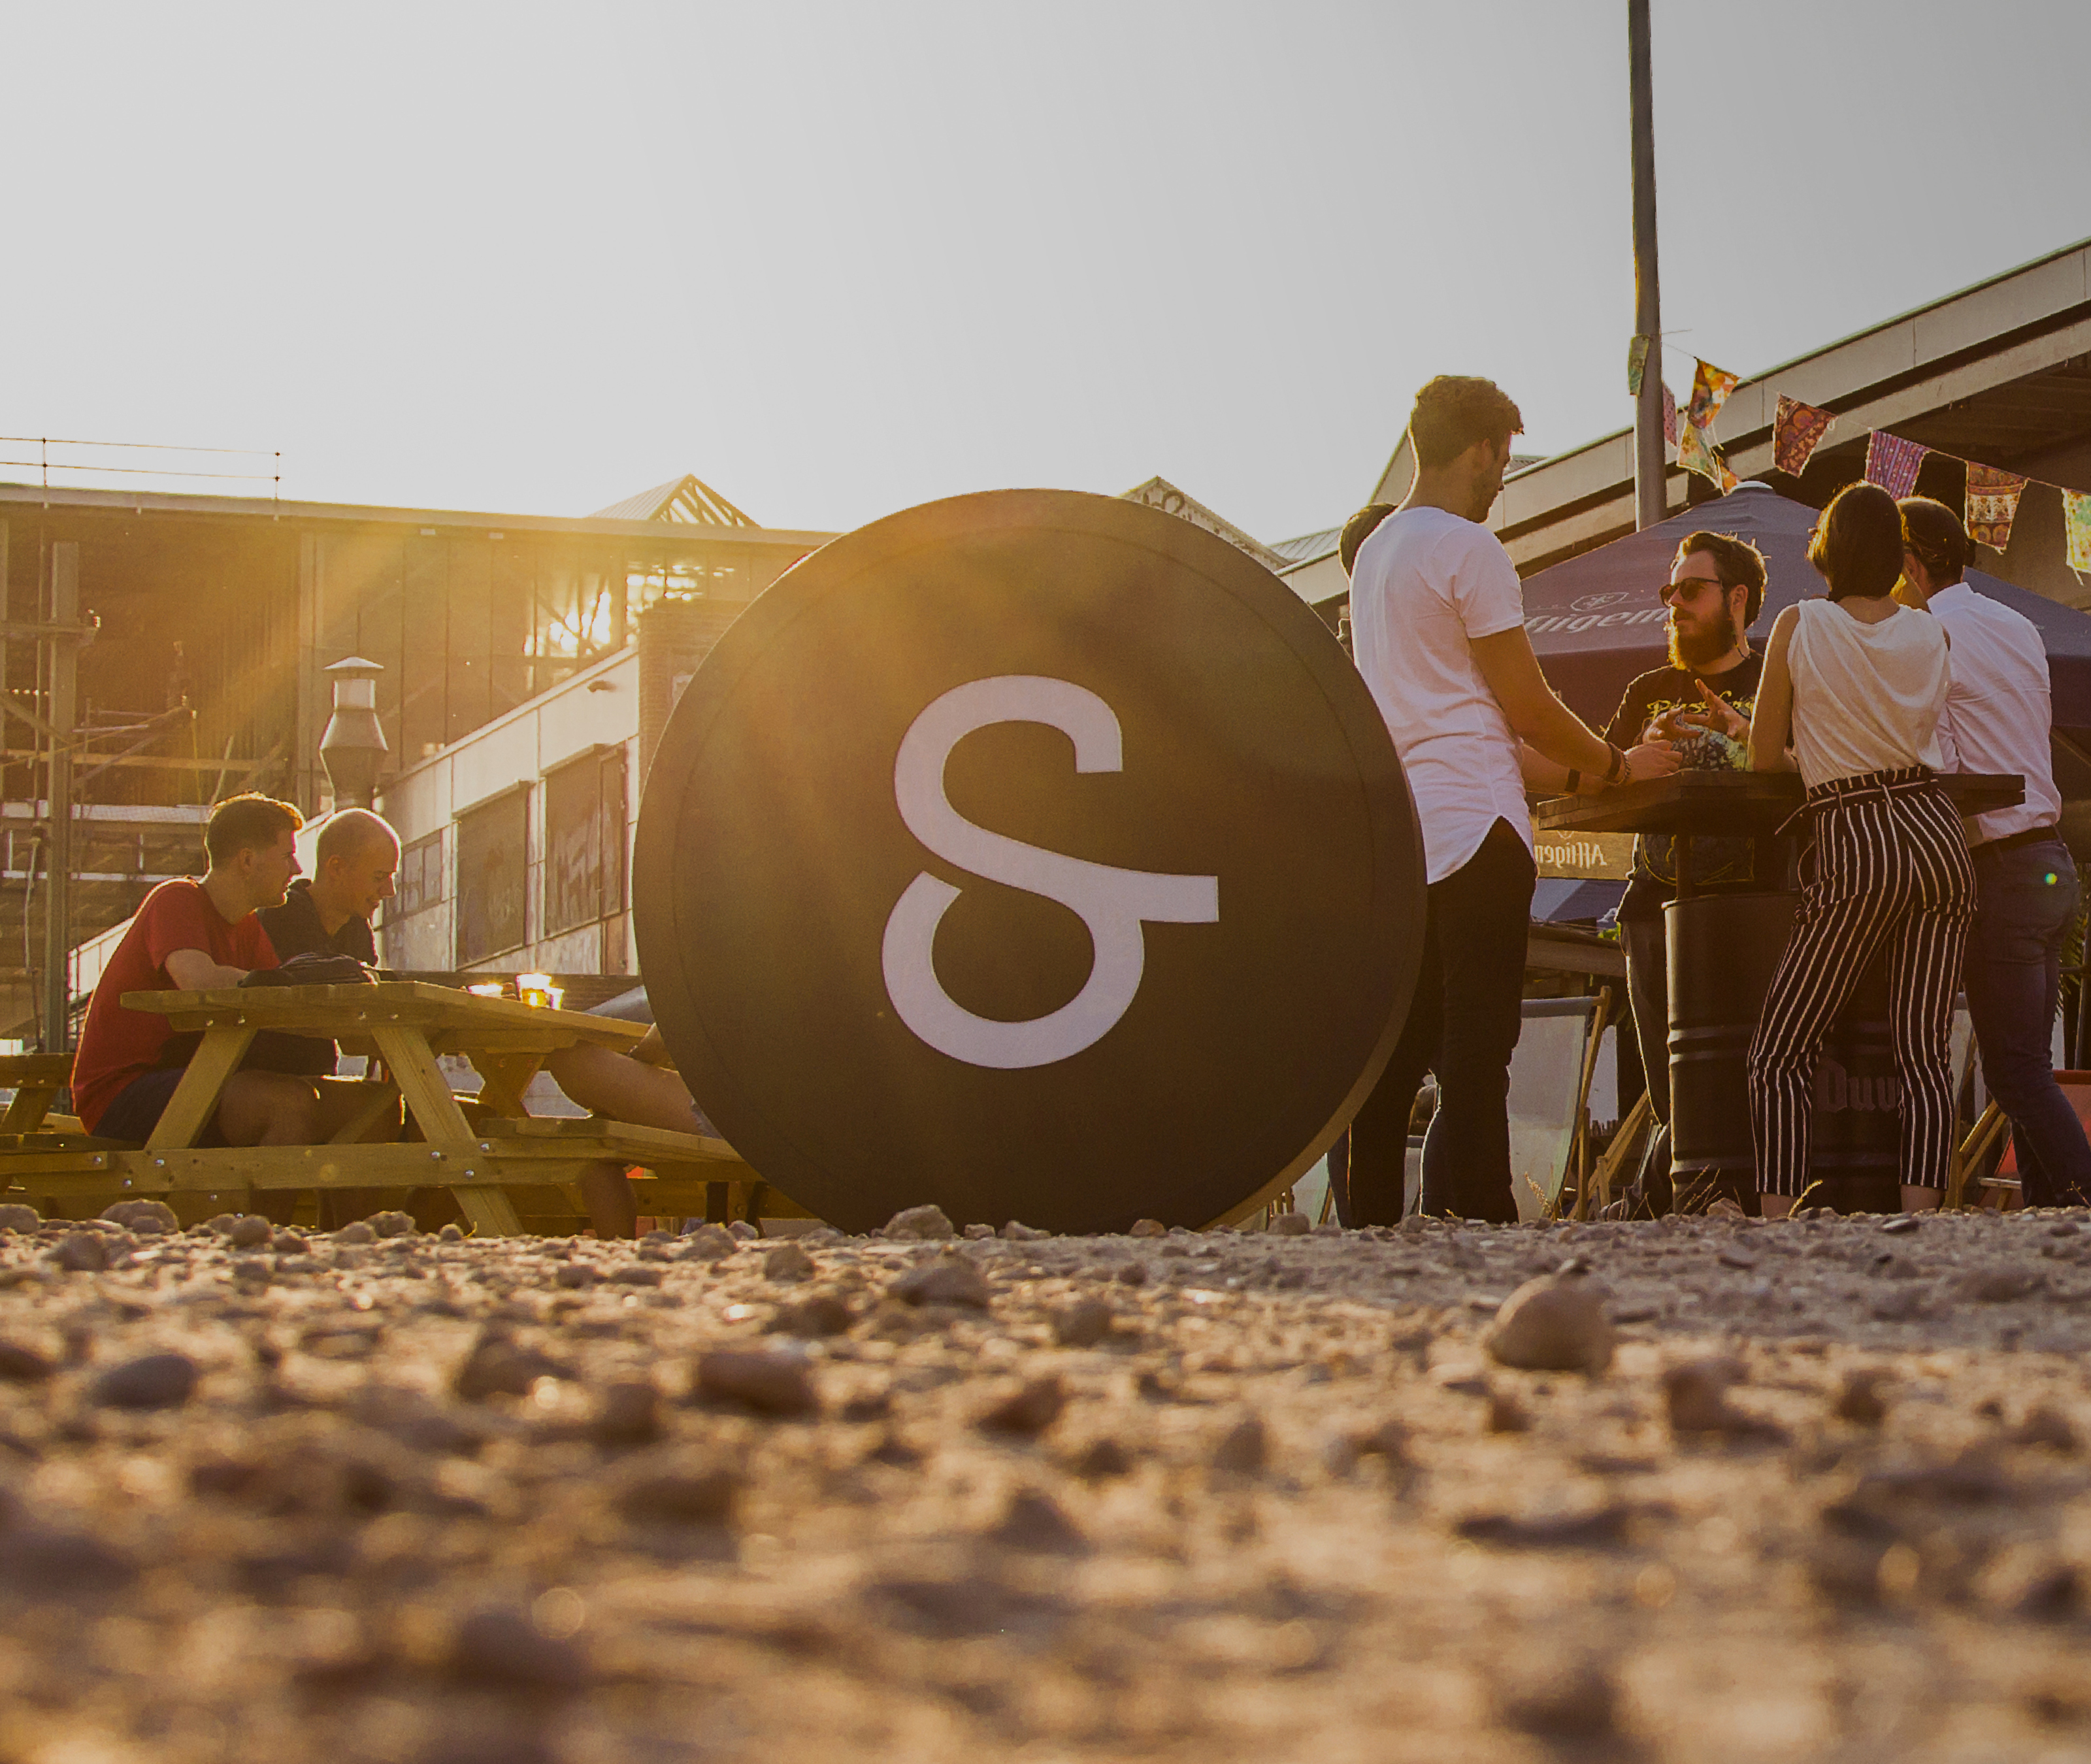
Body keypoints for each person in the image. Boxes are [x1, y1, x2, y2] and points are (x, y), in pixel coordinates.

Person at [1344, 375, 1677, 1224]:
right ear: (1484, 449)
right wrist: (1616, 764)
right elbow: (1526, 707)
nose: (1504, 481)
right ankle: (1486, 1222)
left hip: (1407, 831)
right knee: (1480, 1045)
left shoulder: (1376, 554)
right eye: (1506, 459)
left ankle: (1372, 1223)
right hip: (1481, 824)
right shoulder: (1470, 550)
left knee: (1399, 1046)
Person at [1745, 483, 1973, 1216]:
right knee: (1922, 1054)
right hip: (1935, 832)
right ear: (1894, 556)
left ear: (1827, 550)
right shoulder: (1928, 631)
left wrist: (1810, 755)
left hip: (1856, 833)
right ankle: (1920, 1215)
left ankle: (1779, 1213)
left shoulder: (1798, 623)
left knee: (1780, 1050)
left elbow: (1759, 754)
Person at [1896, 495, 2091, 1207]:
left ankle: (2080, 1197)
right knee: (2029, 1066)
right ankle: (2049, 1213)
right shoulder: (2015, 624)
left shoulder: (1923, 636)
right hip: (2049, 862)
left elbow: (1943, 763)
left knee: (2012, 1071)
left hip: (2000, 867)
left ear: (1910, 565)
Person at [1597, 532, 1768, 1212]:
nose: (1673, 605)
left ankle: (1656, 1206)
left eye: (1690, 591)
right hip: (1653, 906)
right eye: (1669, 591)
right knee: (1671, 1086)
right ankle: (1677, 1205)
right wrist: (1633, 756)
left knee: (1741, 1075)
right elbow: (1598, 785)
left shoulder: (1772, 682)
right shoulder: (1647, 691)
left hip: (1752, 907)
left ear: (1736, 599)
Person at [71, 793, 390, 1155]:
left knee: (371, 1108)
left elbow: (275, 1008)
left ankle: (361, 1217)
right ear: (248, 860)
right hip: (125, 1091)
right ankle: (264, 1216)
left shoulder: (248, 926)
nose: (297, 870)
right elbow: (199, 982)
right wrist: (295, 980)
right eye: (287, 855)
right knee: (288, 1103)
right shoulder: (176, 900)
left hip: (199, 1079)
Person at [257, 808, 397, 964]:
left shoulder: (356, 928)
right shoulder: (279, 920)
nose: (390, 891)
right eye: (379, 877)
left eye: (391, 877)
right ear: (336, 868)